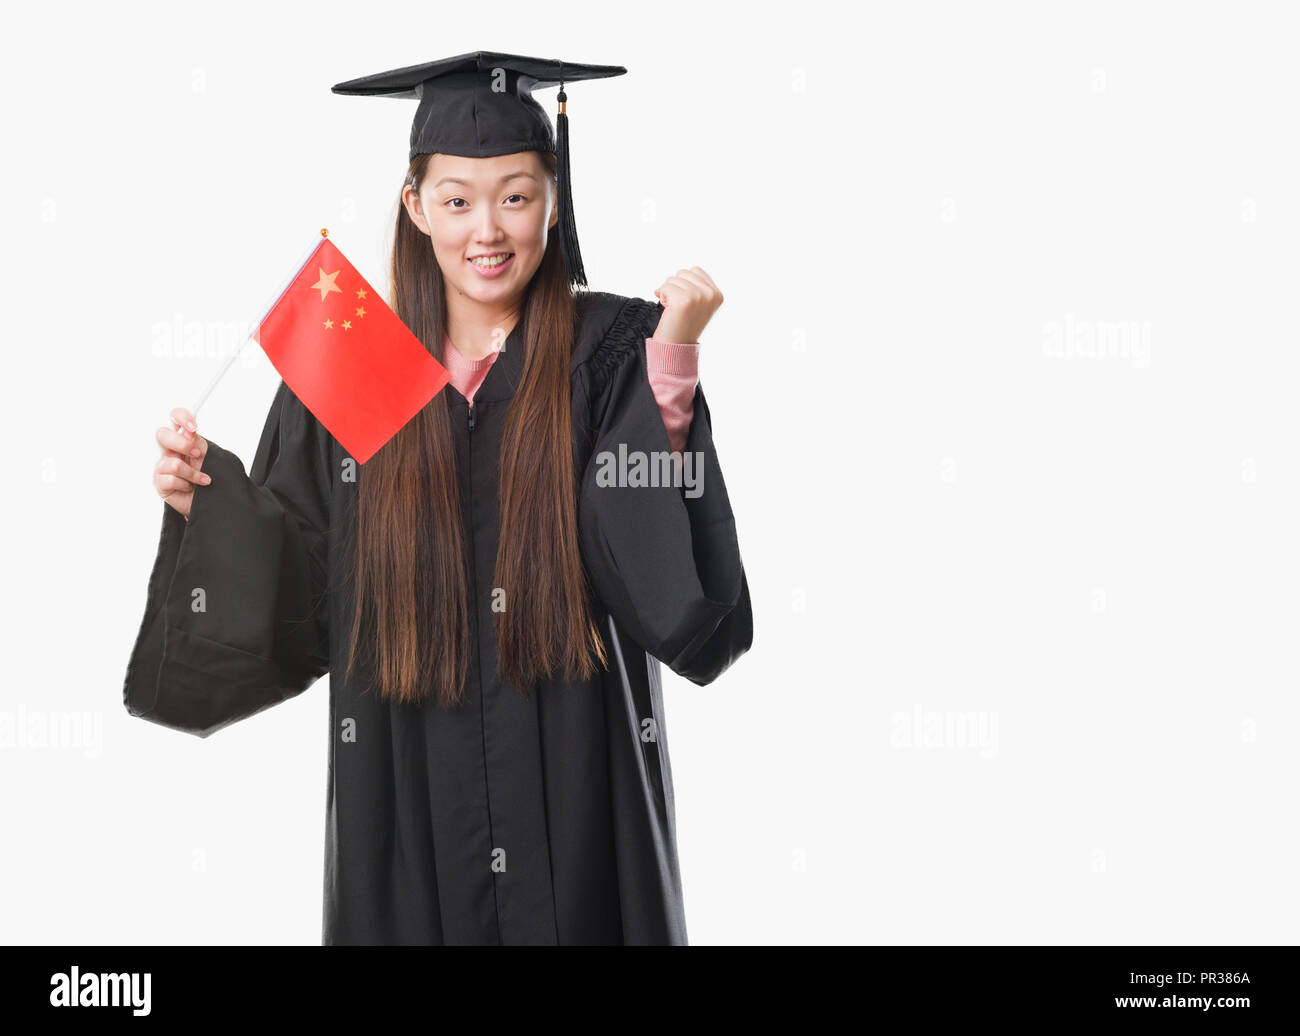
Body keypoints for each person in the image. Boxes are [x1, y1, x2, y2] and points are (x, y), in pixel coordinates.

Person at [124, 51, 752, 945]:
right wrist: (206, 505)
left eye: (517, 196)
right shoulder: (354, 364)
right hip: (405, 772)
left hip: (578, 777)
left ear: (553, 200)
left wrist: (674, 361)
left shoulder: (609, 349)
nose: (486, 230)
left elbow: (650, 562)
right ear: (415, 206)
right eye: (456, 200)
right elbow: (304, 575)